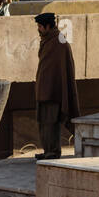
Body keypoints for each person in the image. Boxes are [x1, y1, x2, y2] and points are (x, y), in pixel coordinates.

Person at [34, 13, 80, 161]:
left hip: (54, 92)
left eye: (40, 27)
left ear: (48, 26)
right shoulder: (48, 41)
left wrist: (54, 89)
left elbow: (63, 70)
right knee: (44, 123)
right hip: (44, 91)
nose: (39, 30)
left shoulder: (59, 42)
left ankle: (53, 153)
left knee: (51, 124)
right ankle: (48, 150)